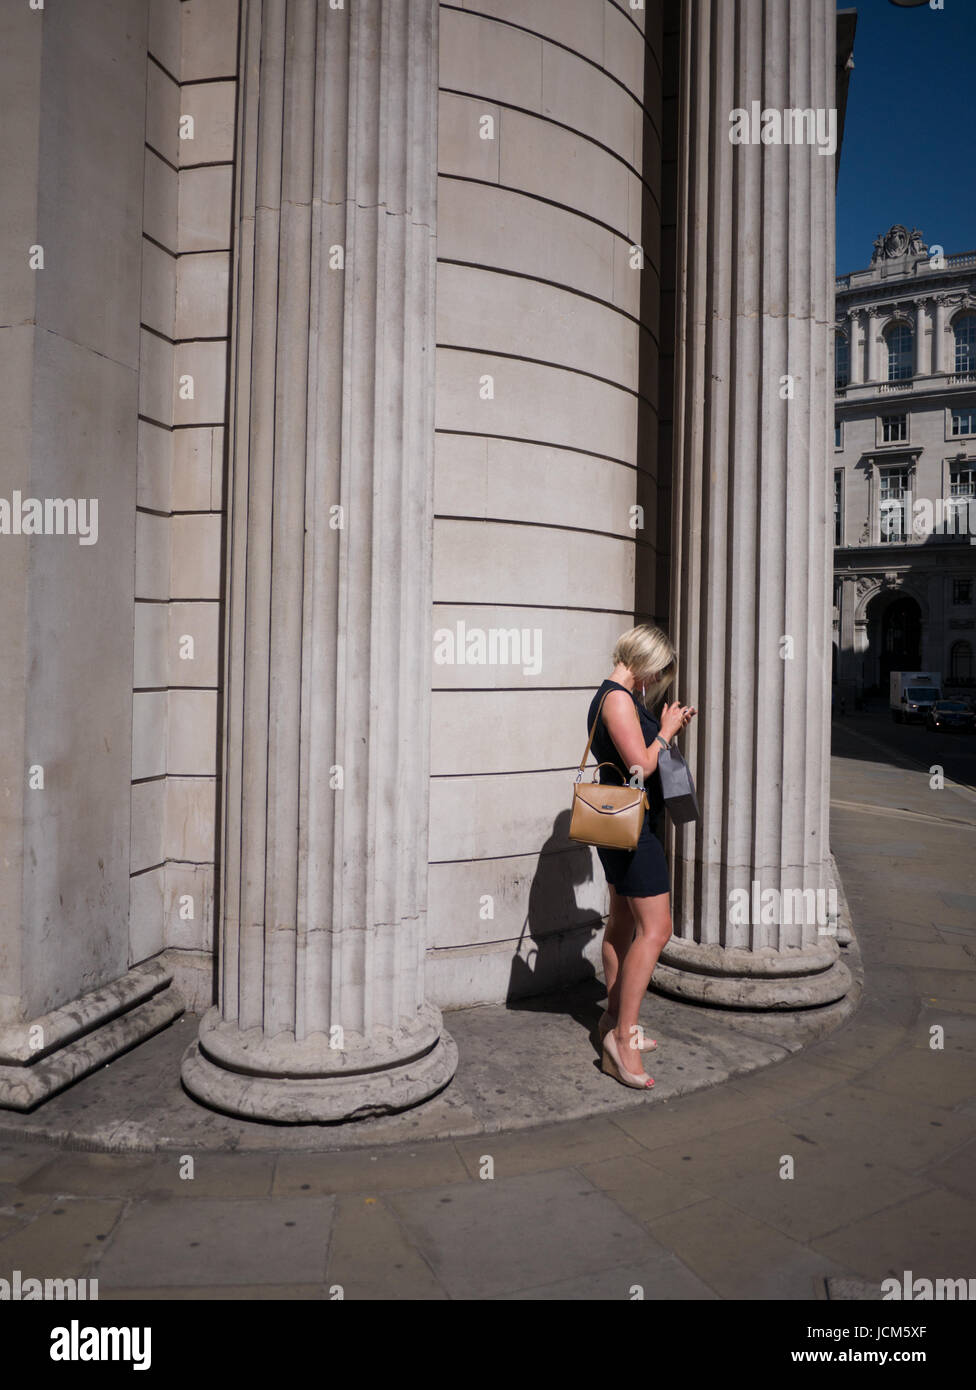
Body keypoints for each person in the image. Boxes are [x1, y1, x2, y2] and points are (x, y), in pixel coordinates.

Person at [585, 624, 696, 1090]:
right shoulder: (616, 698)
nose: (655, 680)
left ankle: (613, 1020)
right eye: (656, 670)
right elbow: (641, 765)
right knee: (658, 928)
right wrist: (666, 732)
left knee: (624, 923)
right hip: (630, 829)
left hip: (621, 823)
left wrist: (662, 722)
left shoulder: (619, 697)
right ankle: (622, 1041)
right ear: (643, 659)